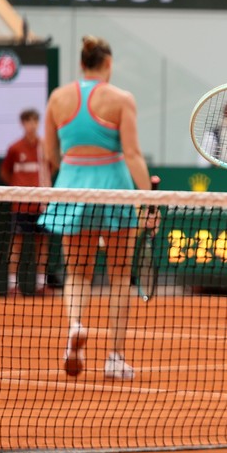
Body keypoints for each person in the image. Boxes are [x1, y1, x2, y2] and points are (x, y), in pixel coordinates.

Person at [39, 36, 154, 381]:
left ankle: (76, 325)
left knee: (77, 271)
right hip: (115, 189)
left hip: (72, 187)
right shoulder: (121, 99)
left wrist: (72, 170)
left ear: (81, 63)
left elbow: (50, 154)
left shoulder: (58, 98)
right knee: (120, 276)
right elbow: (132, 154)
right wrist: (149, 198)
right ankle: (115, 358)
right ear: (108, 64)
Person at [0, 109, 51, 295]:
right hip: (21, 205)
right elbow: (5, 172)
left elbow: (50, 170)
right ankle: (13, 285)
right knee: (17, 243)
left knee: (42, 244)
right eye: (28, 121)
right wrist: (19, 187)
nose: (32, 125)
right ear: (23, 124)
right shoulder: (15, 148)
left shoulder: (45, 147)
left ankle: (41, 284)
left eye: (35, 121)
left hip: (42, 205)